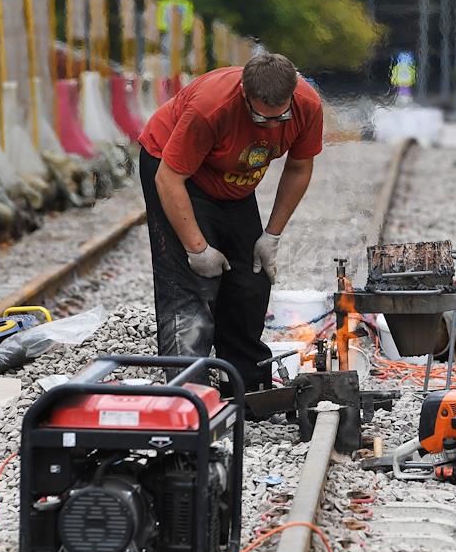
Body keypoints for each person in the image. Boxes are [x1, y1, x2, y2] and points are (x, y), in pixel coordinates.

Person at [138, 52, 322, 394]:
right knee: (189, 287)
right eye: (259, 116)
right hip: (174, 171)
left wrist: (272, 235)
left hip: (233, 181)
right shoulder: (211, 107)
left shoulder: (307, 105)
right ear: (244, 94)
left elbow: (299, 166)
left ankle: (244, 385)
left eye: (279, 116)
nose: (270, 125)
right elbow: (169, 178)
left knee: (250, 279)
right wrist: (197, 249)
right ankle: (187, 395)